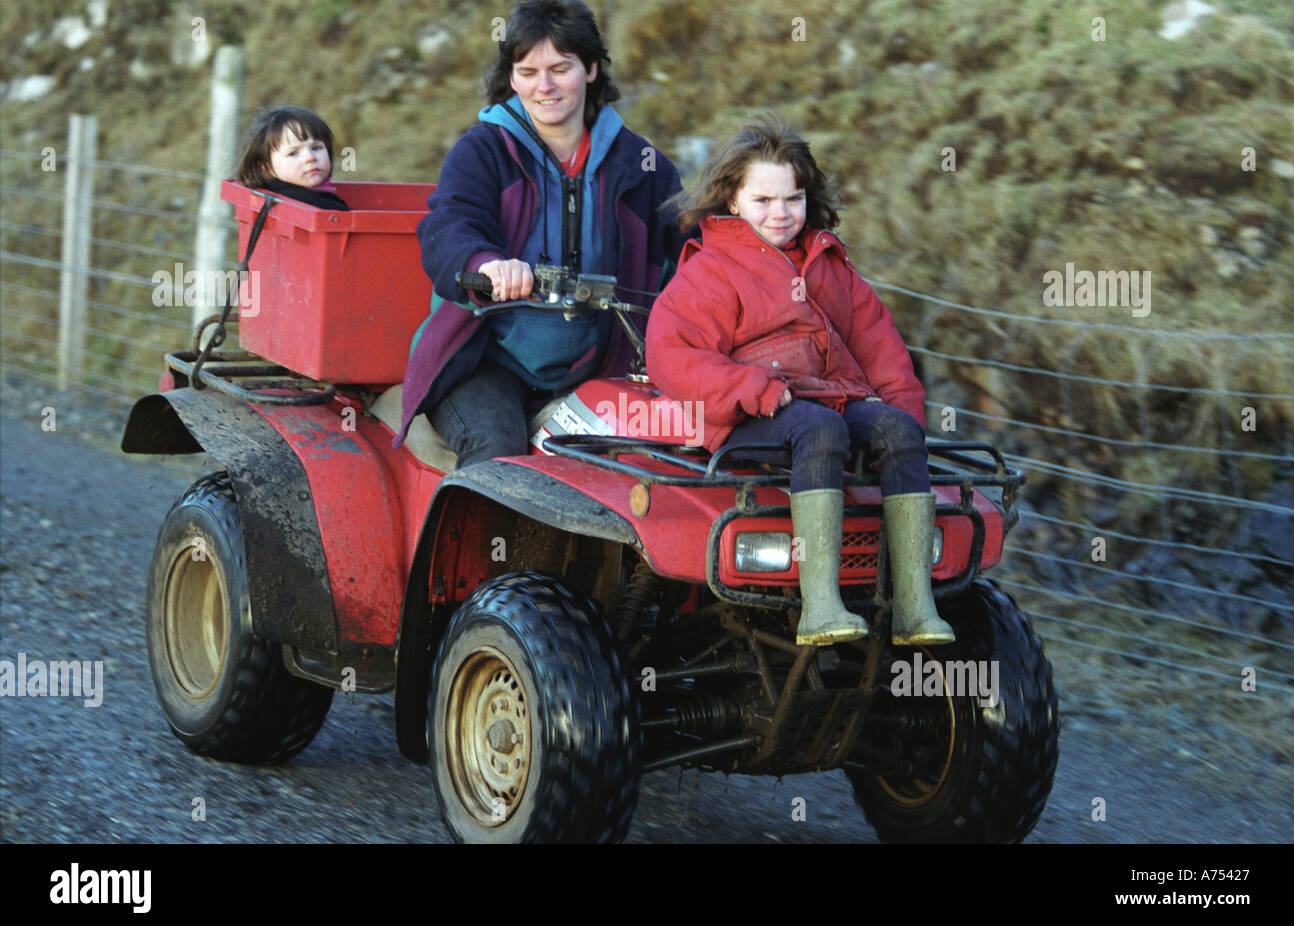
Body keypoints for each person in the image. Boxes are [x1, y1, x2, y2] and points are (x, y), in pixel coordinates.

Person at [646, 117, 954, 647]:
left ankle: (914, 607)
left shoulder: (826, 261)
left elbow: (878, 342)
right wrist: (755, 389)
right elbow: (673, 356)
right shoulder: (711, 269)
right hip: (748, 414)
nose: (781, 214)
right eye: (763, 201)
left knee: (900, 433)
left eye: (792, 199)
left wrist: (903, 409)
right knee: (819, 431)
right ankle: (820, 605)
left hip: (833, 396)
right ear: (733, 201)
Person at [394, 0, 685, 461]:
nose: (544, 86)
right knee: (497, 447)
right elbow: (448, 223)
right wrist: (483, 264)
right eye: (527, 71)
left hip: (604, 363)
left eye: (560, 68)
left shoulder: (640, 164)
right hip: (484, 360)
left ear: (591, 69)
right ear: (511, 78)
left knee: (657, 453)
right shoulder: (483, 151)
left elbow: (691, 248)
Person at [235, 106, 350, 210]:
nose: (310, 158)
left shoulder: (267, 196)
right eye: (293, 153)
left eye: (316, 148)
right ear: (266, 166)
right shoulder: (320, 205)